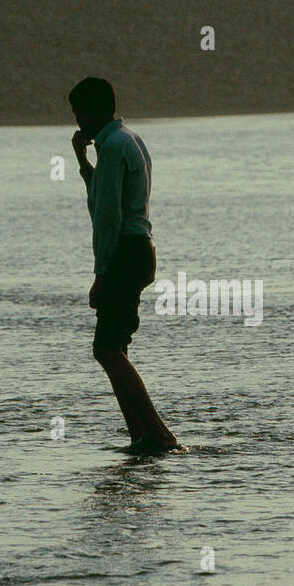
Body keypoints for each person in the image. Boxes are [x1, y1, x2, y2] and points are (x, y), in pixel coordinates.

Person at [68, 77, 178, 451]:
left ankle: (159, 433)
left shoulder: (114, 147)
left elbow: (108, 217)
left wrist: (101, 274)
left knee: (107, 349)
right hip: (138, 249)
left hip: (125, 253)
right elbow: (103, 196)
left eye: (79, 114)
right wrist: (83, 162)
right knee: (115, 348)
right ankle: (140, 434)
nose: (77, 122)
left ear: (93, 112)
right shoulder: (128, 140)